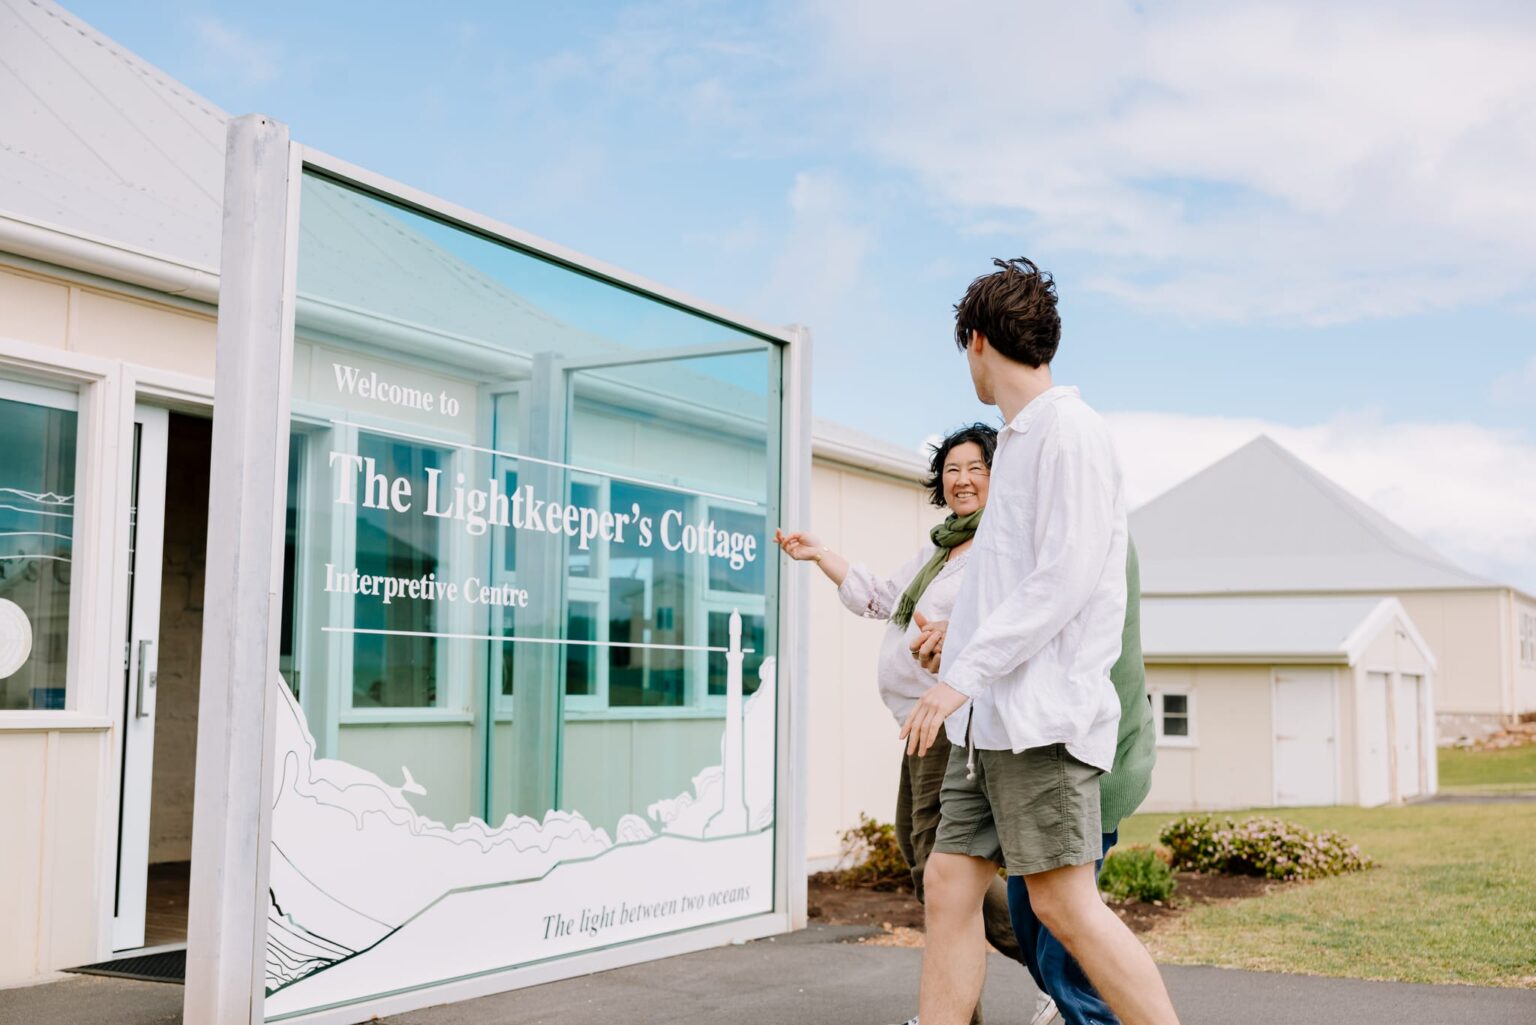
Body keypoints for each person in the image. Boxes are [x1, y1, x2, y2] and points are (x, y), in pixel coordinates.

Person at [900, 258, 1181, 1025]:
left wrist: (961, 675)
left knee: (1063, 902)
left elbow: (1065, 577)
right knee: (948, 884)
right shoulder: (1016, 443)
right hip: (984, 727)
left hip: (1042, 723)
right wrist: (958, 641)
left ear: (978, 340)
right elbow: (1010, 582)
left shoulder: (1070, 432)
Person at [774, 424, 1056, 1025]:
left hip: (954, 725)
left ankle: (1027, 982)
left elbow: (1010, 625)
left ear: (1000, 476)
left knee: (942, 872)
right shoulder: (940, 551)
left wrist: (956, 635)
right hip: (918, 726)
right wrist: (821, 554)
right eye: (952, 469)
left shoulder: (999, 550)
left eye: (976, 468)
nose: (962, 480)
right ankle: (1043, 973)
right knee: (925, 857)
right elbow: (883, 597)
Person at [912, 539, 1155, 1025]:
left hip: (1074, 751)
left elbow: (1051, 607)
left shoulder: (1068, 509)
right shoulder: (995, 530)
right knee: (983, 898)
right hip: (999, 742)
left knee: (1062, 922)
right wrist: (957, 642)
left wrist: (961, 669)